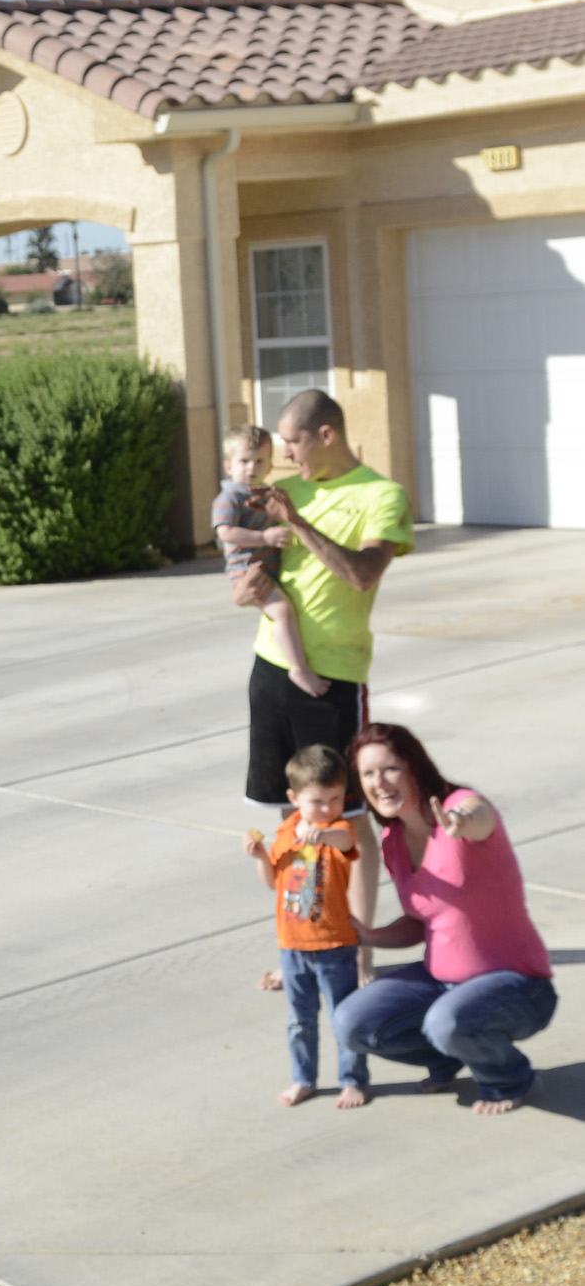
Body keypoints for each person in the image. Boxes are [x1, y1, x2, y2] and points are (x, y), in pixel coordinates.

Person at [238, 389, 416, 984]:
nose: (284, 455)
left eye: (292, 442)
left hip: (334, 679)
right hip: (272, 668)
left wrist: (299, 520)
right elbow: (262, 568)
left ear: (326, 435)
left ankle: (358, 949)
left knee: (351, 816)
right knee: (294, 818)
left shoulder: (382, 496)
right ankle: (299, 947)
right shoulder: (290, 492)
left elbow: (362, 575)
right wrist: (246, 587)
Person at [334, 724, 557, 1116]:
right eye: (367, 774)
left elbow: (479, 815)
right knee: (351, 1022)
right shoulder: (394, 840)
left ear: (414, 766)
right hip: (442, 984)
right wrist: (367, 935)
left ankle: (509, 1077)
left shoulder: (461, 805)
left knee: (447, 1021)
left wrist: (459, 821)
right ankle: (445, 1058)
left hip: (518, 985)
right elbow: (425, 921)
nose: (379, 782)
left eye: (389, 769)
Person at [244, 744, 370, 1108]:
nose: (328, 808)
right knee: (300, 1020)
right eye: (317, 801)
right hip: (292, 944)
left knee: (341, 1017)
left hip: (334, 944)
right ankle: (304, 1078)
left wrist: (324, 834)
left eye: (335, 798)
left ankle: (353, 1080)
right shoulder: (286, 832)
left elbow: (347, 842)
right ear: (293, 798)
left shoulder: (339, 828)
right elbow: (273, 881)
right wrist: (258, 857)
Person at [214, 426, 324, 699]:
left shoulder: (266, 493)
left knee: (284, 612)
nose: (252, 468)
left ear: (270, 465)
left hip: (268, 568)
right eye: (244, 461)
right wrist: (265, 536)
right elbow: (225, 533)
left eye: (259, 461)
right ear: (229, 466)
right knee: (283, 612)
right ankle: (298, 668)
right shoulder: (229, 498)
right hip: (247, 572)